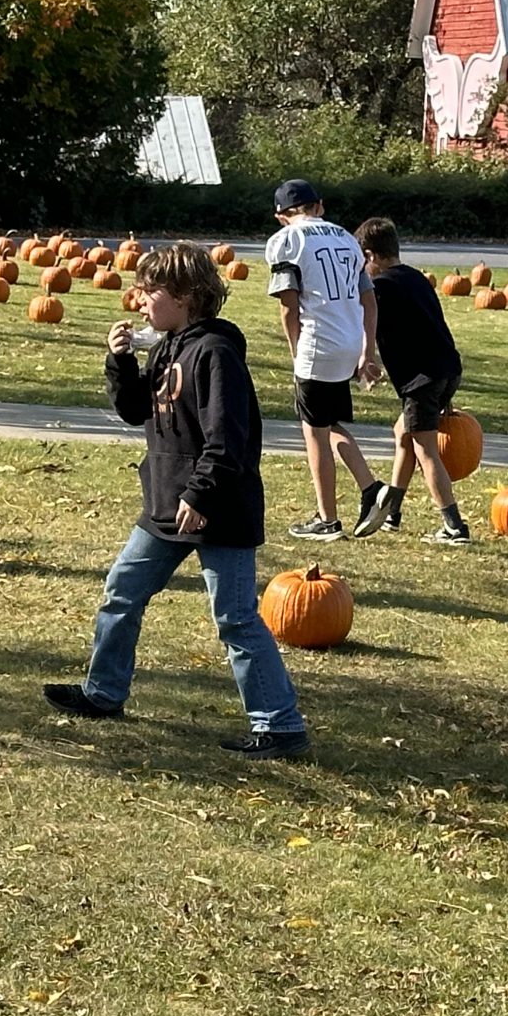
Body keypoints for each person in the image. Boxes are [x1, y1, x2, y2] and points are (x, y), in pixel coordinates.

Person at [42, 242, 310, 760]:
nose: (140, 300)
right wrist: (121, 362)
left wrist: (201, 492)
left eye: (151, 291)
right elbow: (136, 409)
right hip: (165, 504)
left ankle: (280, 725)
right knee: (122, 590)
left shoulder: (215, 353)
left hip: (217, 507)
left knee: (235, 617)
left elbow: (228, 438)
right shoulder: (168, 346)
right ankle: (104, 693)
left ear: (186, 296)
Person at [263, 178, 390, 542]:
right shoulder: (348, 240)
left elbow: (289, 306)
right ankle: (370, 489)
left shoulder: (288, 240)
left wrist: (295, 350)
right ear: (320, 205)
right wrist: (367, 350)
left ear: (280, 216)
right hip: (349, 338)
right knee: (328, 422)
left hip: (318, 341)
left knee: (313, 431)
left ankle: (327, 518)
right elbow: (369, 301)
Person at [354, 216, 471, 544]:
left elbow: (366, 325)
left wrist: (362, 363)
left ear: (370, 256)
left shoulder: (382, 287)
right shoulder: (415, 278)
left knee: (425, 450)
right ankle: (392, 513)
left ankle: (454, 526)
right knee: (402, 434)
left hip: (422, 379)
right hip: (447, 370)